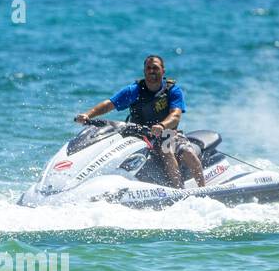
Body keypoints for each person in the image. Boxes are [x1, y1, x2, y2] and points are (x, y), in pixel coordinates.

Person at [74, 54, 206, 188]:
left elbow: (175, 115)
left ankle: (191, 189)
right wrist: (87, 115)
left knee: (179, 151)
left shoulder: (172, 90)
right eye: (148, 68)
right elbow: (109, 104)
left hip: (168, 134)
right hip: (140, 136)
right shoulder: (134, 90)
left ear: (163, 71)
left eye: (155, 68)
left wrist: (161, 125)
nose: (151, 71)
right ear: (144, 71)